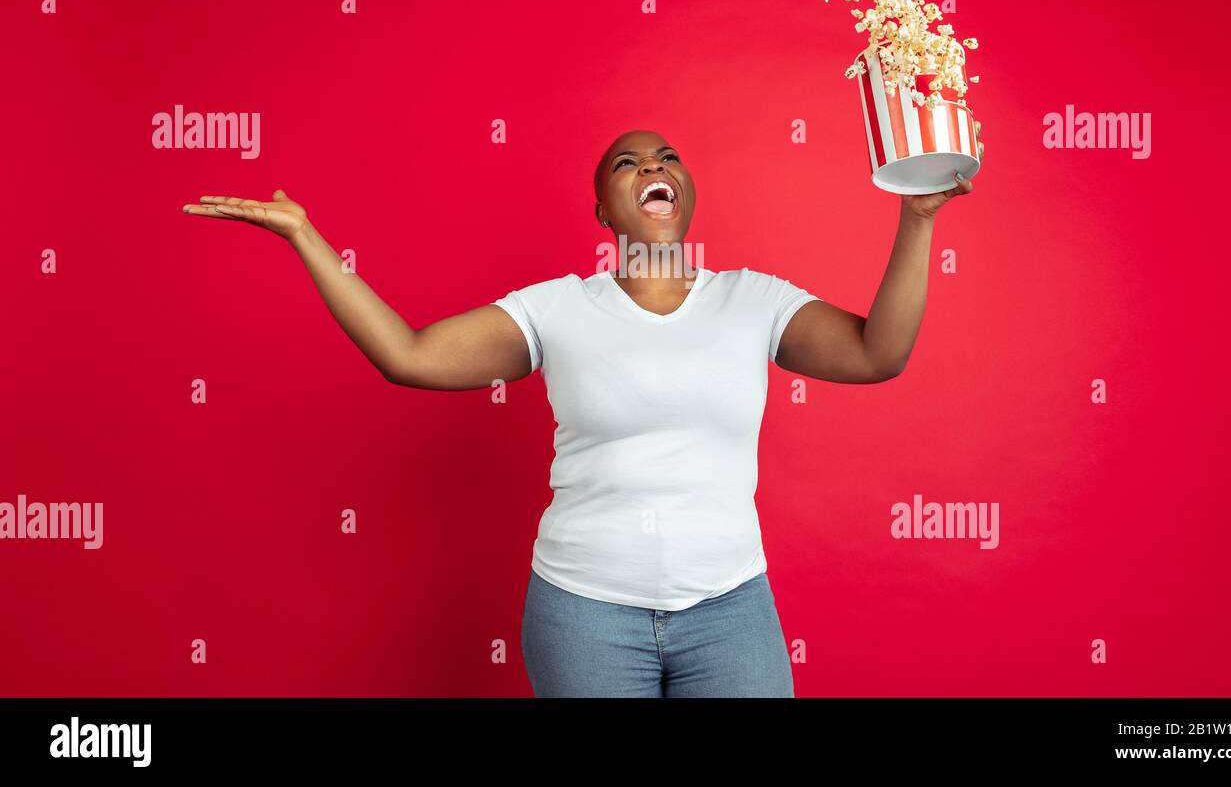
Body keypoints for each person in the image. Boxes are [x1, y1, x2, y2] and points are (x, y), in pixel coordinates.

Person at [180, 125, 983, 697]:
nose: (652, 167)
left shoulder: (754, 300)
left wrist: (916, 221)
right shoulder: (556, 309)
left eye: (667, 157)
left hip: (730, 608)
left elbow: (880, 356)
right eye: (626, 164)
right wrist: (307, 237)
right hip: (584, 614)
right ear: (604, 210)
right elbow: (410, 358)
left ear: (688, 191)